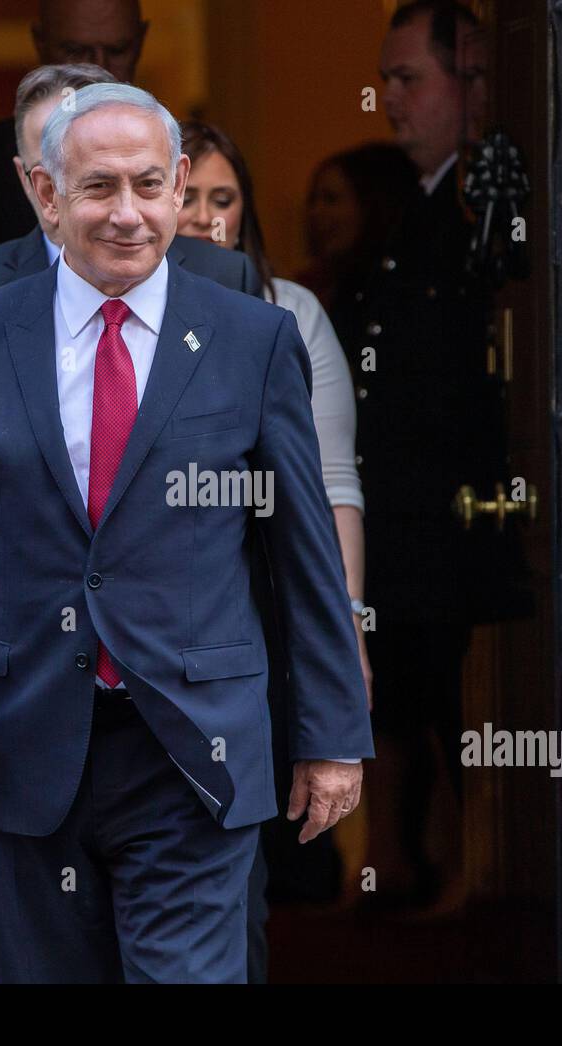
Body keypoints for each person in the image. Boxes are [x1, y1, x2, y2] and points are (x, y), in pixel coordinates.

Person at [0, 82, 374, 983]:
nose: (128, 213)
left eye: (149, 184)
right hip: (23, 743)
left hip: (194, 747)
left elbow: (300, 554)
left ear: (181, 185)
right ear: (45, 193)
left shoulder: (251, 339)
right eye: (98, 187)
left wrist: (331, 732)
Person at [176, 120, 370, 957]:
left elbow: (333, 488)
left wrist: (347, 629)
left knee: (242, 861)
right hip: (149, 618)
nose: (206, 219)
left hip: (262, 608)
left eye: (225, 200)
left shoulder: (288, 312)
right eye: (189, 197)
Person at [334, 0, 509, 911]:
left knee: (453, 701)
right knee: (402, 690)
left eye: (410, 79)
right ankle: (405, 859)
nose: (389, 100)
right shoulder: (425, 202)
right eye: (388, 79)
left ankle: (478, 866)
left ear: (469, 77)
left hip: (454, 510)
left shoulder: (486, 198)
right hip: (403, 509)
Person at [0, 63, 261, 324]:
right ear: (34, 182)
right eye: (96, 182)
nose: (125, 214)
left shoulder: (225, 277)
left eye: (144, 181)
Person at [0, 0, 149, 263]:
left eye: (117, 50)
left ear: (142, 41)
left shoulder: (180, 149)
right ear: (40, 43)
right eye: (76, 51)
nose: (100, 67)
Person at [300, 142, 417, 316]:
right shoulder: (314, 287)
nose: (315, 212)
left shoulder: (396, 288)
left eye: (331, 199)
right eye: (313, 199)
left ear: (371, 206)